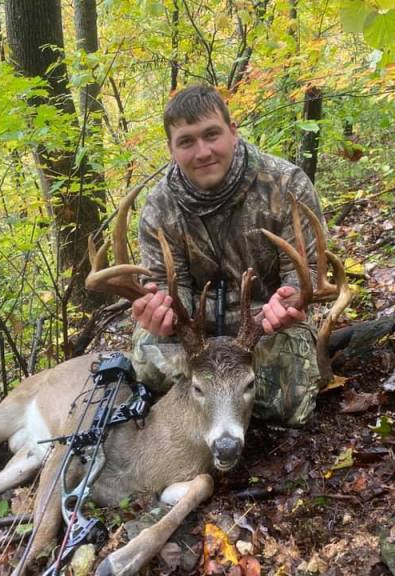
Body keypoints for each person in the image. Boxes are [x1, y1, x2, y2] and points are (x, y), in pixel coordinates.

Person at [130, 85, 326, 427]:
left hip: (263, 329)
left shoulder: (286, 185)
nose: (203, 151)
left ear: (233, 132)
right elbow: (161, 283)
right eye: (187, 141)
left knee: (290, 400)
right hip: (195, 335)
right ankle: (218, 402)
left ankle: (206, 402)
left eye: (212, 135)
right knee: (145, 364)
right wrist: (160, 311)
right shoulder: (159, 208)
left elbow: (305, 269)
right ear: (171, 149)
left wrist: (291, 299)